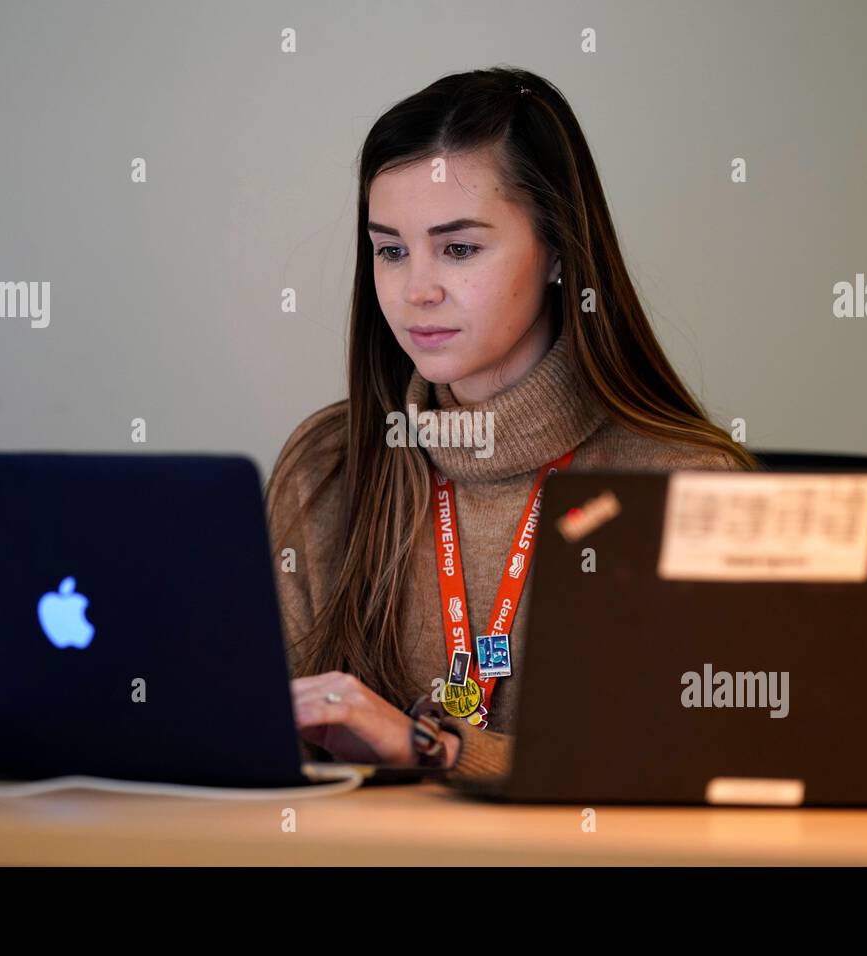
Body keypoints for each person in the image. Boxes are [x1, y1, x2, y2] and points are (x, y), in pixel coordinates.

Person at [266, 66, 755, 780]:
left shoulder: (687, 483)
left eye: (459, 248)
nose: (416, 291)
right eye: (390, 250)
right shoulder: (327, 465)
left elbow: (702, 770)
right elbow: (272, 749)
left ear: (557, 249)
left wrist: (439, 750)